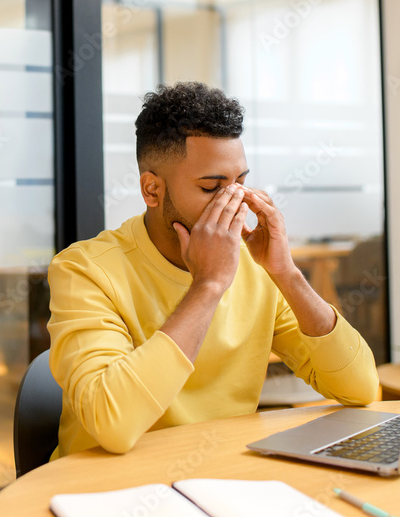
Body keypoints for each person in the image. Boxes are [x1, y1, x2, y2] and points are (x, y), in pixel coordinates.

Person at [47, 82, 379, 458]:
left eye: (240, 182)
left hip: (218, 478)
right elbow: (113, 426)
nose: (235, 202)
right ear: (152, 190)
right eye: (211, 187)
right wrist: (208, 285)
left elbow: (360, 388)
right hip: (105, 493)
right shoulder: (84, 269)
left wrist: (285, 273)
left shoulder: (255, 267)